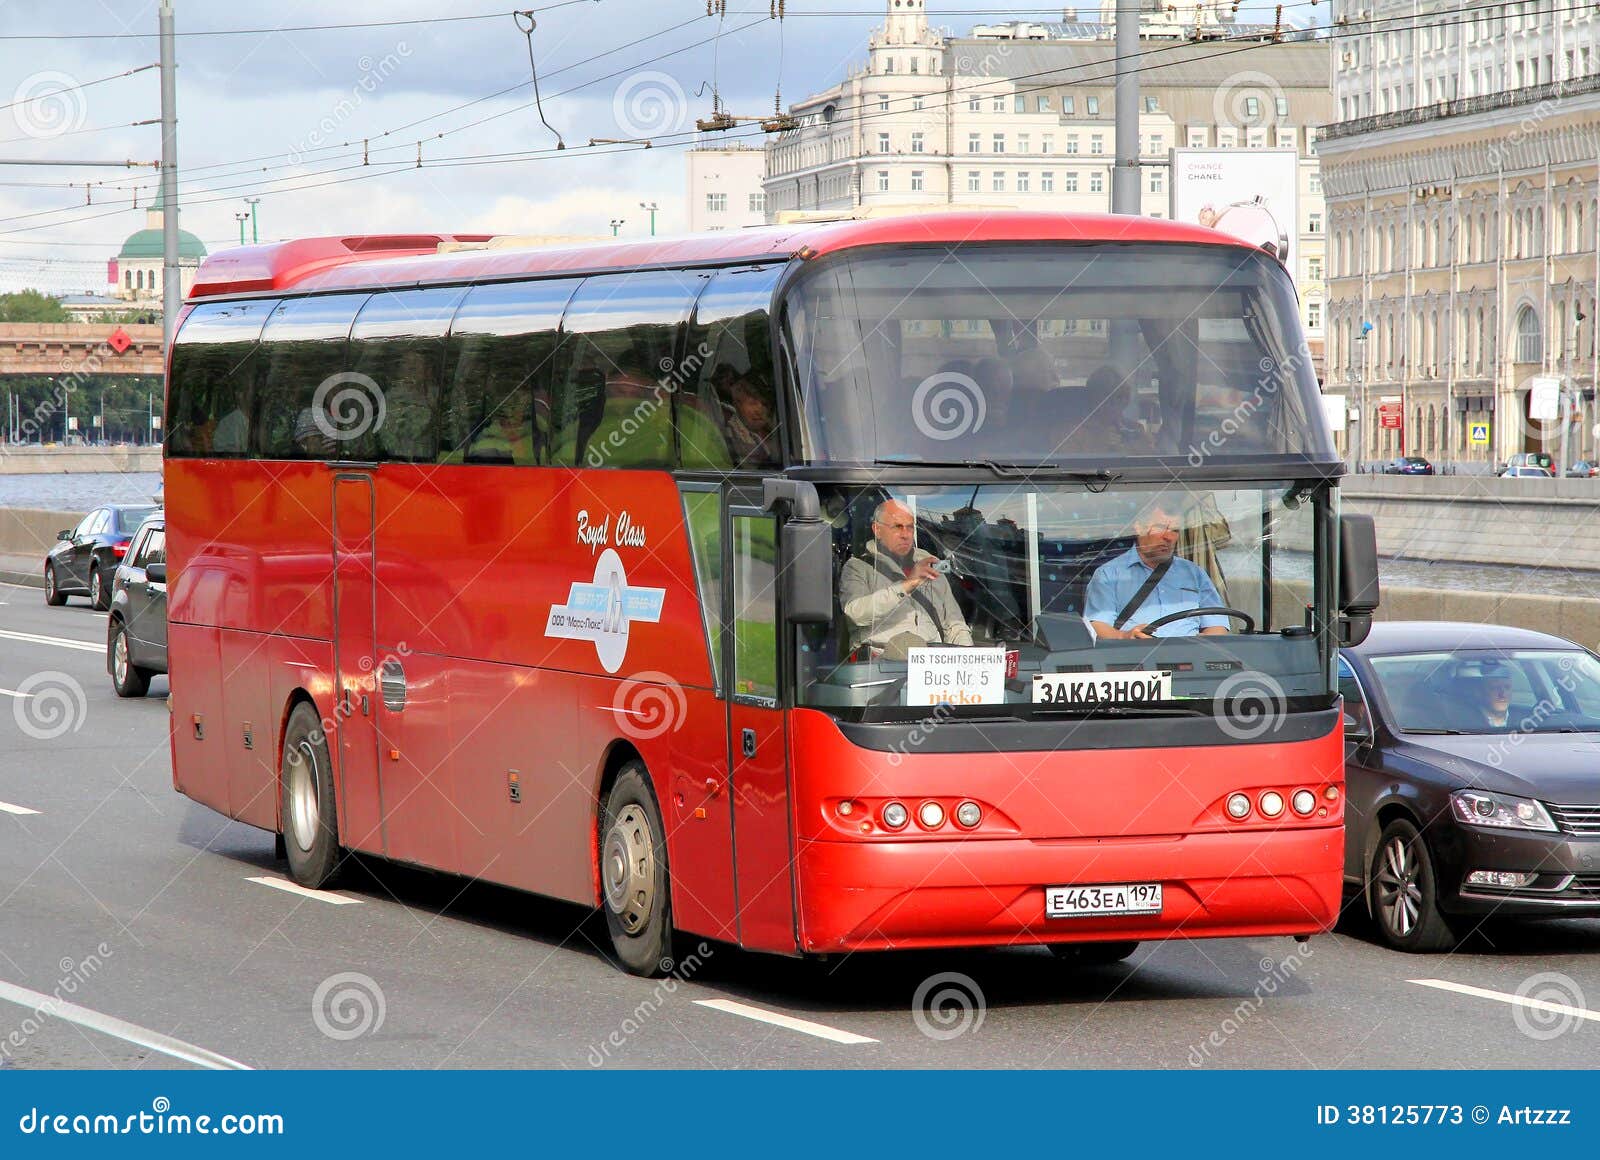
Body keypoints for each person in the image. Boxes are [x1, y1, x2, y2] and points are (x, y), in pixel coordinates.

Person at [839, 498, 973, 658]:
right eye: (897, 527)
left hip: (933, 665)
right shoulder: (857, 567)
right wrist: (906, 586)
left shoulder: (930, 565)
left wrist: (968, 662)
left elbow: (955, 625)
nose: (905, 535)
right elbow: (856, 614)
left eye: (910, 528)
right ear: (877, 530)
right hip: (880, 667)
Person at [1085, 496, 1231, 639]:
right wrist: (1124, 636)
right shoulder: (1109, 574)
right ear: (1139, 528)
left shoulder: (1194, 573)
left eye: (1175, 531)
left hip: (1188, 656)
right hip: (1136, 656)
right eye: (1161, 528)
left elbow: (1217, 624)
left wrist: (1206, 646)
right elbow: (1098, 626)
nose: (1169, 537)